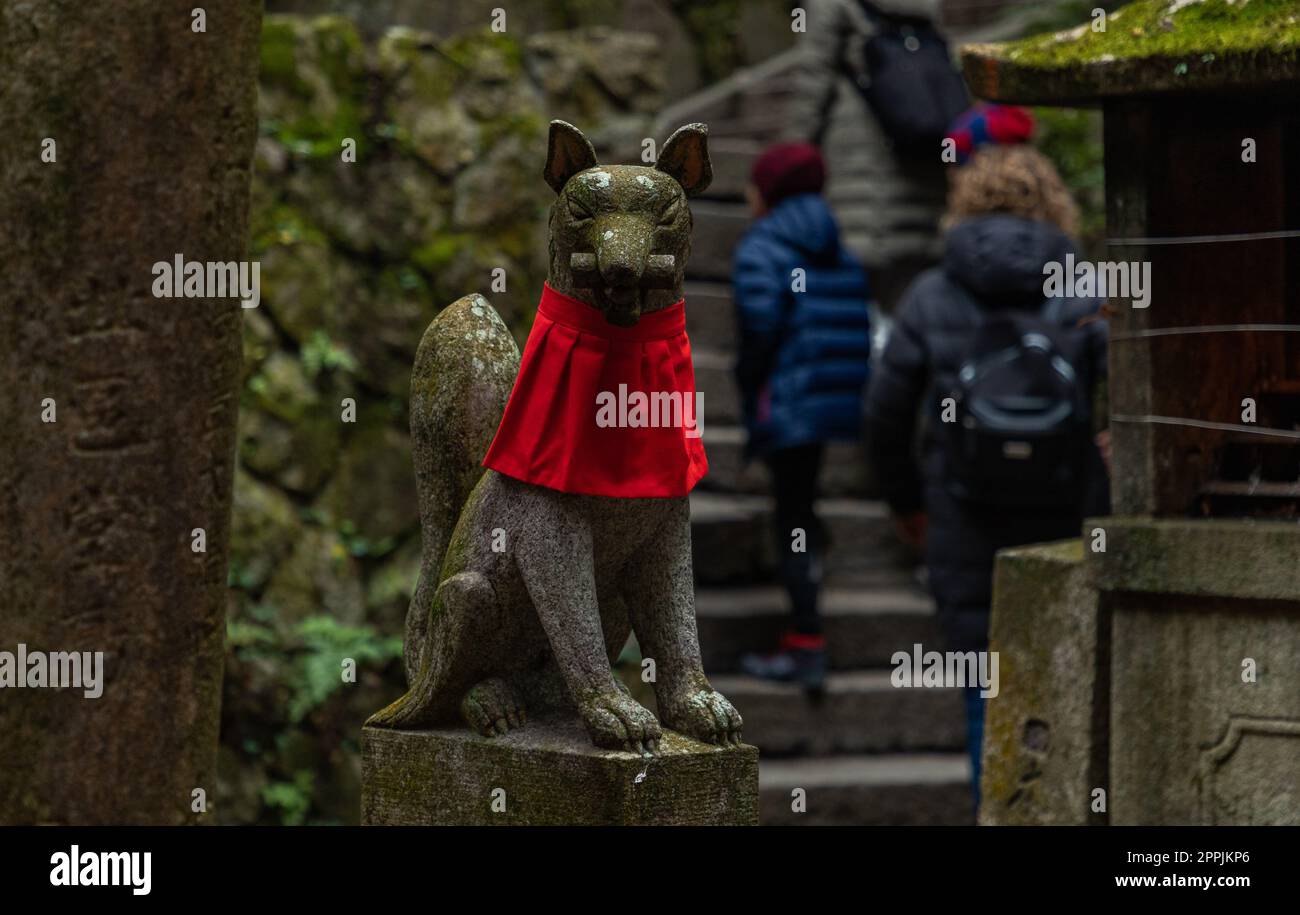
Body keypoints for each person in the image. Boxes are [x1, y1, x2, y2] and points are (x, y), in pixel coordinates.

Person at [864, 109, 1109, 798]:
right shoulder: (1081, 288)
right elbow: (1125, 389)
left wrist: (909, 503)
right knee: (1065, 679)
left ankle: (993, 808)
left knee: (983, 687)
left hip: (964, 517)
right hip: (1067, 514)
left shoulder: (932, 292)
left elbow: (884, 412)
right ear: (1054, 198)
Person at [732, 142, 872, 694]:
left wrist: (750, 392)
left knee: (791, 516)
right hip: (827, 400)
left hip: (786, 401)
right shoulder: (835, 243)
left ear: (770, 191)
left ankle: (807, 641)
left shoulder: (762, 246)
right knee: (802, 509)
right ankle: (806, 616)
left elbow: (759, 329)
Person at [788, 0, 952, 318]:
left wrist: (788, 163)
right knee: (907, 308)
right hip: (924, 187)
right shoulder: (924, 8)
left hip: (857, 175)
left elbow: (812, 84)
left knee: (851, 308)